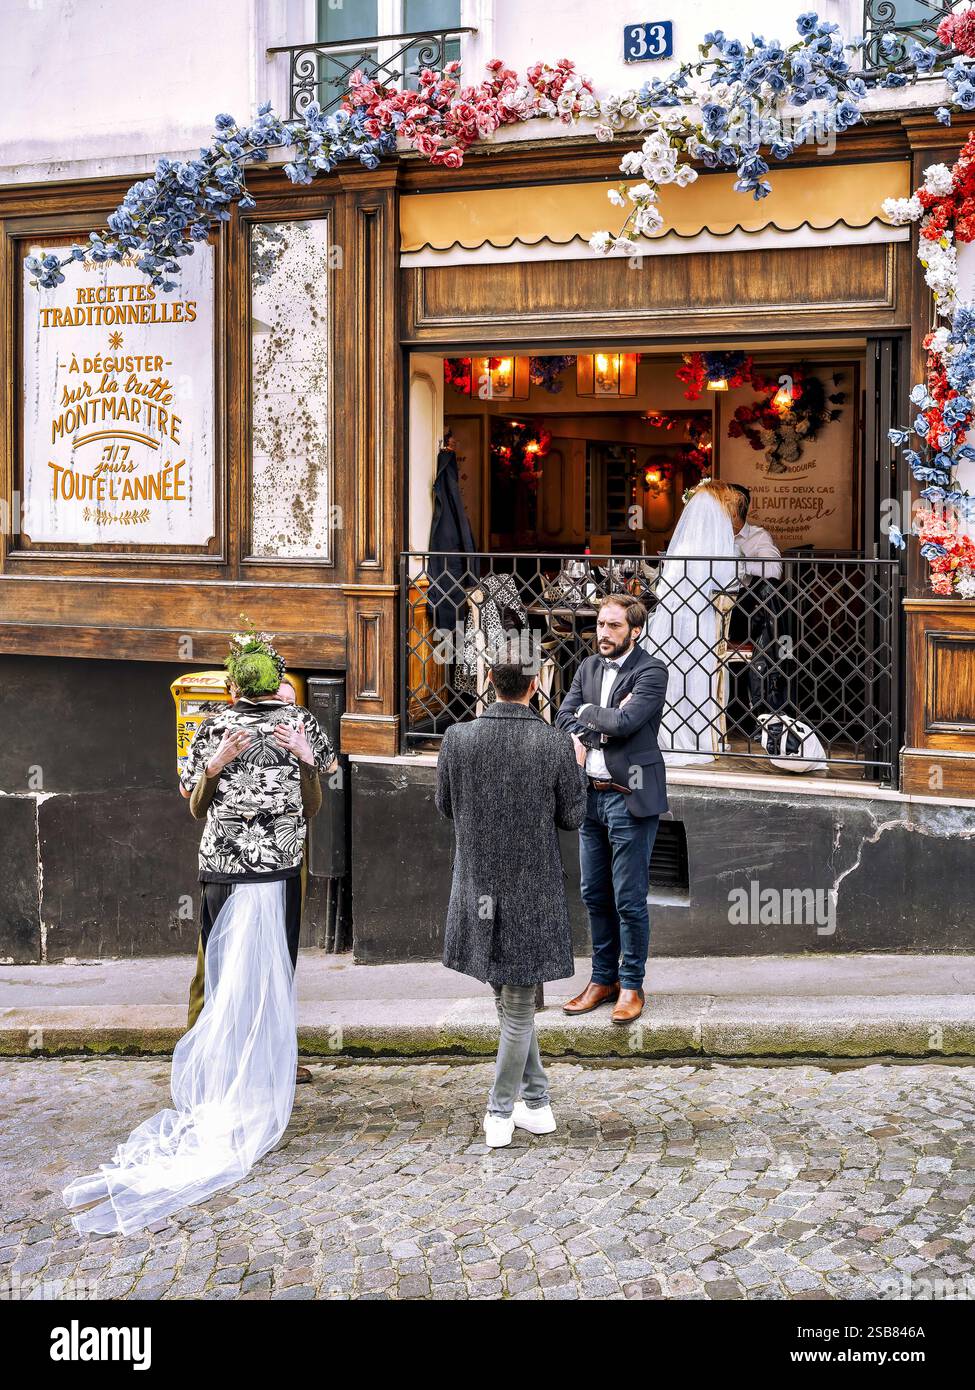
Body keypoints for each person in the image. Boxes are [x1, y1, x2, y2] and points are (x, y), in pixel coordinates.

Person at [62, 628, 337, 1235]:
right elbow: (314, 806)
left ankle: (225, 1076)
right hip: (281, 867)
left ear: (235, 683)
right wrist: (305, 760)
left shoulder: (213, 726)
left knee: (218, 967)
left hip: (222, 868)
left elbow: (194, 805)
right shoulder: (304, 728)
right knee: (272, 968)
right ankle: (261, 1071)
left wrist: (215, 767)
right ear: (281, 684)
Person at [435, 637, 588, 1148]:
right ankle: (515, 1109)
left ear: (487, 682)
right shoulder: (554, 743)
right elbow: (573, 817)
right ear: (537, 684)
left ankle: (526, 1106)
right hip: (532, 892)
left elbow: (446, 806)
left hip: (478, 885)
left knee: (512, 1004)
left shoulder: (458, 738)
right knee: (515, 1005)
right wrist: (579, 767)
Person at [556, 595, 669, 1025]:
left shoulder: (651, 672)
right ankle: (601, 979)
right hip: (590, 795)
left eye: (614, 626)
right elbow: (563, 716)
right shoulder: (586, 668)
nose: (603, 633)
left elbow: (626, 723)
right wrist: (593, 720)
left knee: (629, 897)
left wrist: (590, 719)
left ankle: (632, 983)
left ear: (634, 631)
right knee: (593, 893)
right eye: (601, 624)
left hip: (630, 796)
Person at [638, 479, 738, 765]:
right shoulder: (719, 548)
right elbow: (727, 586)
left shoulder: (685, 547)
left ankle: (668, 731)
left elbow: (663, 590)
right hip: (705, 628)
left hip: (674, 624)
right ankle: (700, 733)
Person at [727, 483, 786, 724]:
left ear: (735, 510)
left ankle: (765, 698)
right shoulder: (707, 536)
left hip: (741, 615)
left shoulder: (756, 536)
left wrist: (739, 564)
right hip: (704, 612)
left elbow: (774, 569)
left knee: (768, 590)